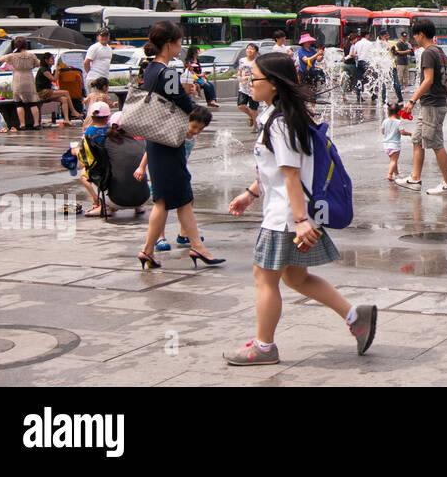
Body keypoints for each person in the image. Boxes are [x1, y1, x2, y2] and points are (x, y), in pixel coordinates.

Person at [224, 51, 377, 366]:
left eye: (254, 79)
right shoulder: (280, 117)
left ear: (275, 84)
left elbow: (292, 176)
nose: (248, 83)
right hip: (292, 213)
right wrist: (250, 194)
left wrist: (300, 221)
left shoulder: (281, 124)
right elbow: (277, 173)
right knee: (296, 278)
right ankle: (354, 317)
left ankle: (264, 347)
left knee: (264, 278)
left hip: (285, 217)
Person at [135, 20, 223, 271]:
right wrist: (201, 111)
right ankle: (149, 250)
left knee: (181, 197)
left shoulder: (151, 70)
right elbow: (184, 104)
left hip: (157, 140)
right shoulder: (167, 73)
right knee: (166, 199)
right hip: (168, 142)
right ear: (169, 44)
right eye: (179, 42)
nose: (181, 46)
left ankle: (192, 246)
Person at [141, 105, 213, 250]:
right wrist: (141, 167)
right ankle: (160, 237)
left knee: (188, 201)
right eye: (194, 126)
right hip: (163, 172)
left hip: (179, 171)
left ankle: (184, 234)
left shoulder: (190, 137)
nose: (196, 131)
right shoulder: (174, 132)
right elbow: (150, 151)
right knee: (163, 205)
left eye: (201, 129)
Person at [398, 18, 447, 194]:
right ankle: (415, 178)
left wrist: (412, 100)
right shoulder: (440, 52)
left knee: (436, 143)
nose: (414, 39)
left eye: (415, 35)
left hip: (432, 105)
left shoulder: (428, 53)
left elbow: (429, 80)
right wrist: (441, 96)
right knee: (417, 140)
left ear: (420, 34)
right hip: (432, 103)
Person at [0, 37, 42, 131]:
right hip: (28, 78)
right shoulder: (31, 55)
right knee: (33, 102)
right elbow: (38, 64)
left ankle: (22, 124)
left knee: (19, 103)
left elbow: (0, 59)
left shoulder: (13, 56)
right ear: (26, 44)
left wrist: (13, 51)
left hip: (17, 78)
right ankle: (36, 124)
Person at [35, 52, 79, 124]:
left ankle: (66, 119)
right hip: (42, 92)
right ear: (46, 60)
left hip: (48, 91)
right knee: (66, 92)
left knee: (64, 99)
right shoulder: (43, 69)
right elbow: (54, 79)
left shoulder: (48, 69)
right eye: (52, 59)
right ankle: (73, 111)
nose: (53, 61)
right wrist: (57, 70)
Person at [381, 102, 410, 181]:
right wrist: (410, 134)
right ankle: (389, 175)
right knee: (394, 161)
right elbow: (402, 132)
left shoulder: (385, 121)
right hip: (394, 145)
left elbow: (383, 132)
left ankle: (396, 173)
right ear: (398, 113)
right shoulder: (398, 122)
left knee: (393, 161)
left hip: (386, 145)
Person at [237, 43, 261, 129]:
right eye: (248, 48)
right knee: (241, 105)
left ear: (256, 52)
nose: (249, 50)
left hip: (253, 87)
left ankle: (255, 126)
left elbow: (259, 74)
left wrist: (250, 77)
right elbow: (239, 72)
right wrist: (239, 77)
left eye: (252, 49)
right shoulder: (242, 60)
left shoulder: (257, 62)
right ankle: (251, 116)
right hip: (243, 86)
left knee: (253, 108)